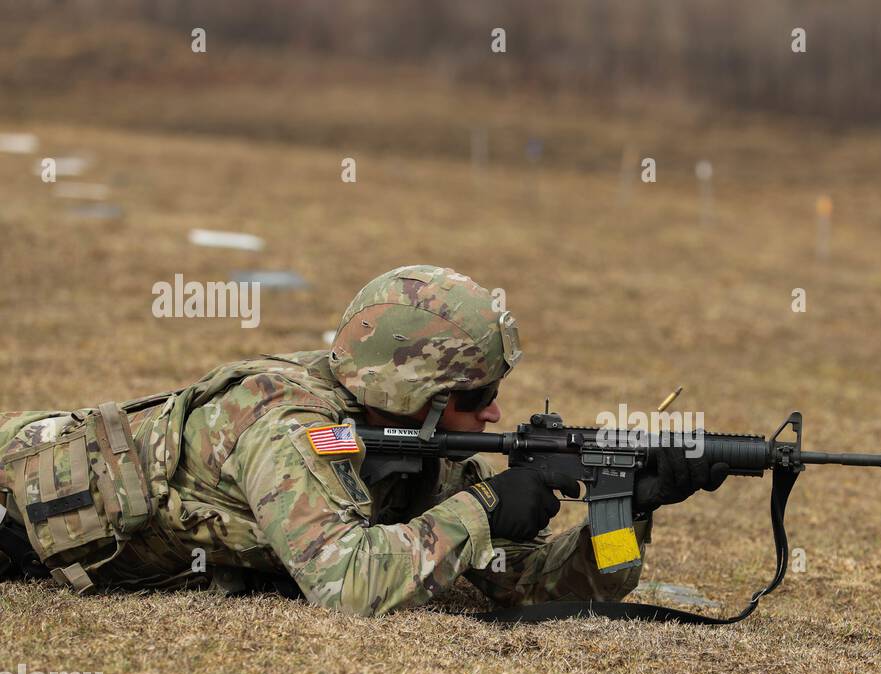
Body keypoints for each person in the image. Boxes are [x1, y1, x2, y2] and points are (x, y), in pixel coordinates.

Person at [0, 265, 728, 616]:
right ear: (414, 395)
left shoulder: (407, 445)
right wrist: (482, 508)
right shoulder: (288, 425)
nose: (492, 412)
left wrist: (626, 512)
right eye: (474, 397)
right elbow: (347, 588)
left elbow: (526, 584)